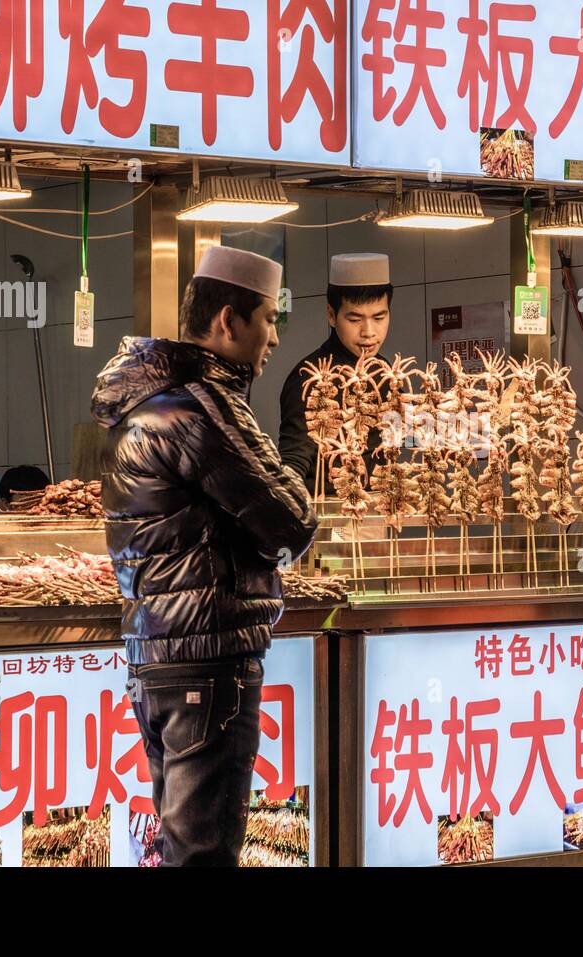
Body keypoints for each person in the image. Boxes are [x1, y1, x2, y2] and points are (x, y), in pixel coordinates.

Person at [91, 245, 317, 866]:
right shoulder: (200, 407)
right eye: (269, 319)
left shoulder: (150, 401)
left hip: (161, 656)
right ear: (228, 321)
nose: (274, 337)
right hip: (208, 661)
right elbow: (292, 522)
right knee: (204, 853)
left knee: (184, 848)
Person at [279, 252, 392, 487]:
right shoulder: (310, 377)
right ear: (331, 315)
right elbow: (293, 461)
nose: (369, 332)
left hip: (374, 511)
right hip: (323, 513)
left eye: (379, 317)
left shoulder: (386, 372)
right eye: (354, 320)